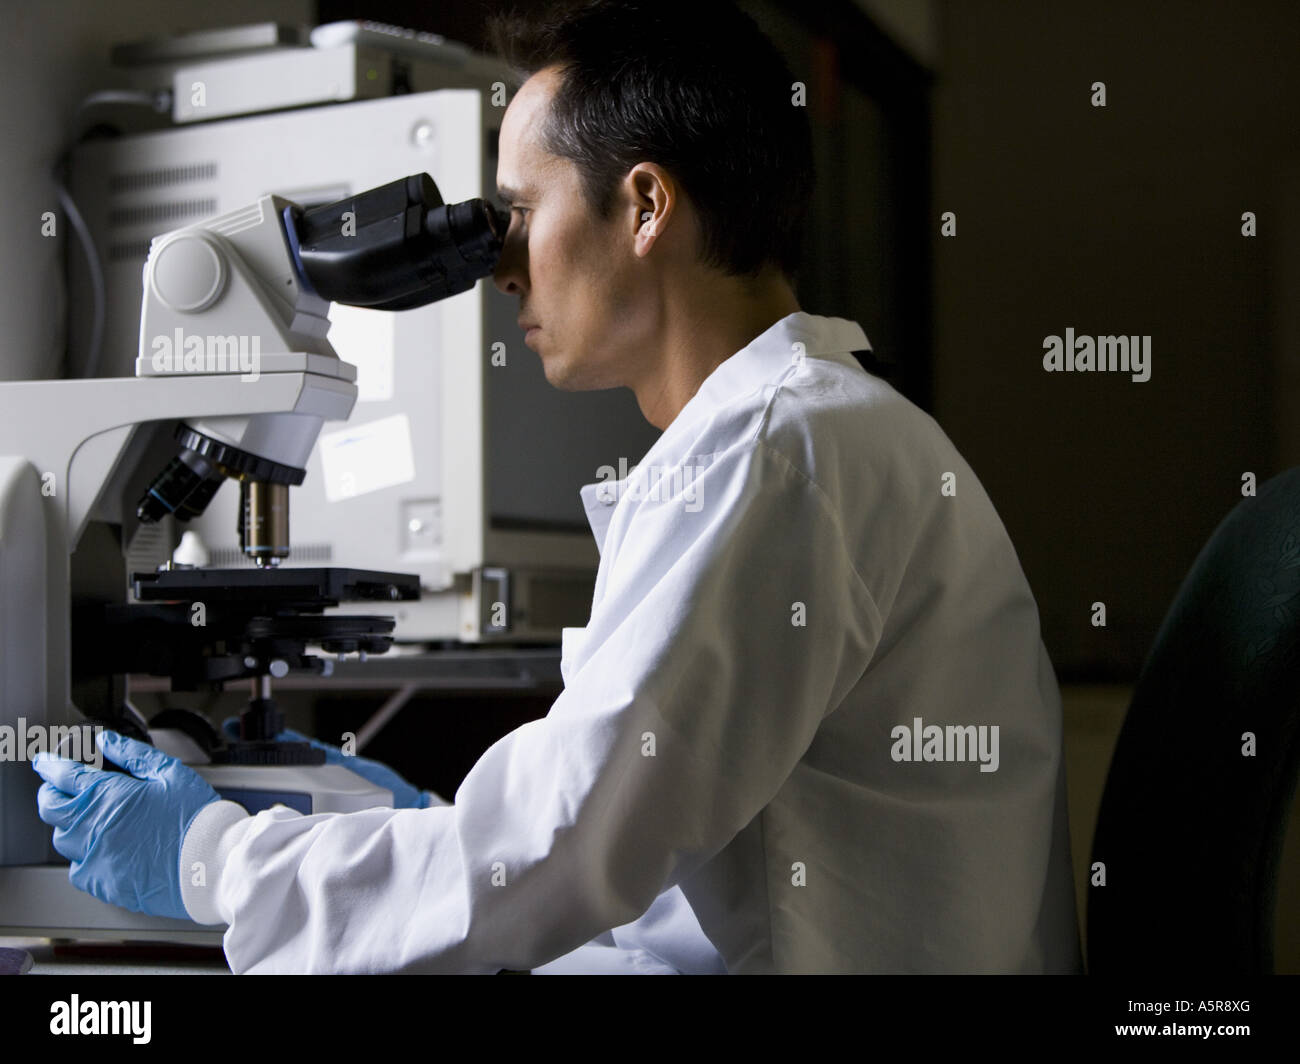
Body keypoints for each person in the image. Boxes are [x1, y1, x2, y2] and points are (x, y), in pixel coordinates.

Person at [32, 0, 1082, 974]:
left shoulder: (776, 449)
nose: (502, 267)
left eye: (521, 212)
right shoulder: (798, 431)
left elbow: (569, 843)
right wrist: (415, 822)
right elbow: (618, 845)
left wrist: (215, 858)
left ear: (644, 205)